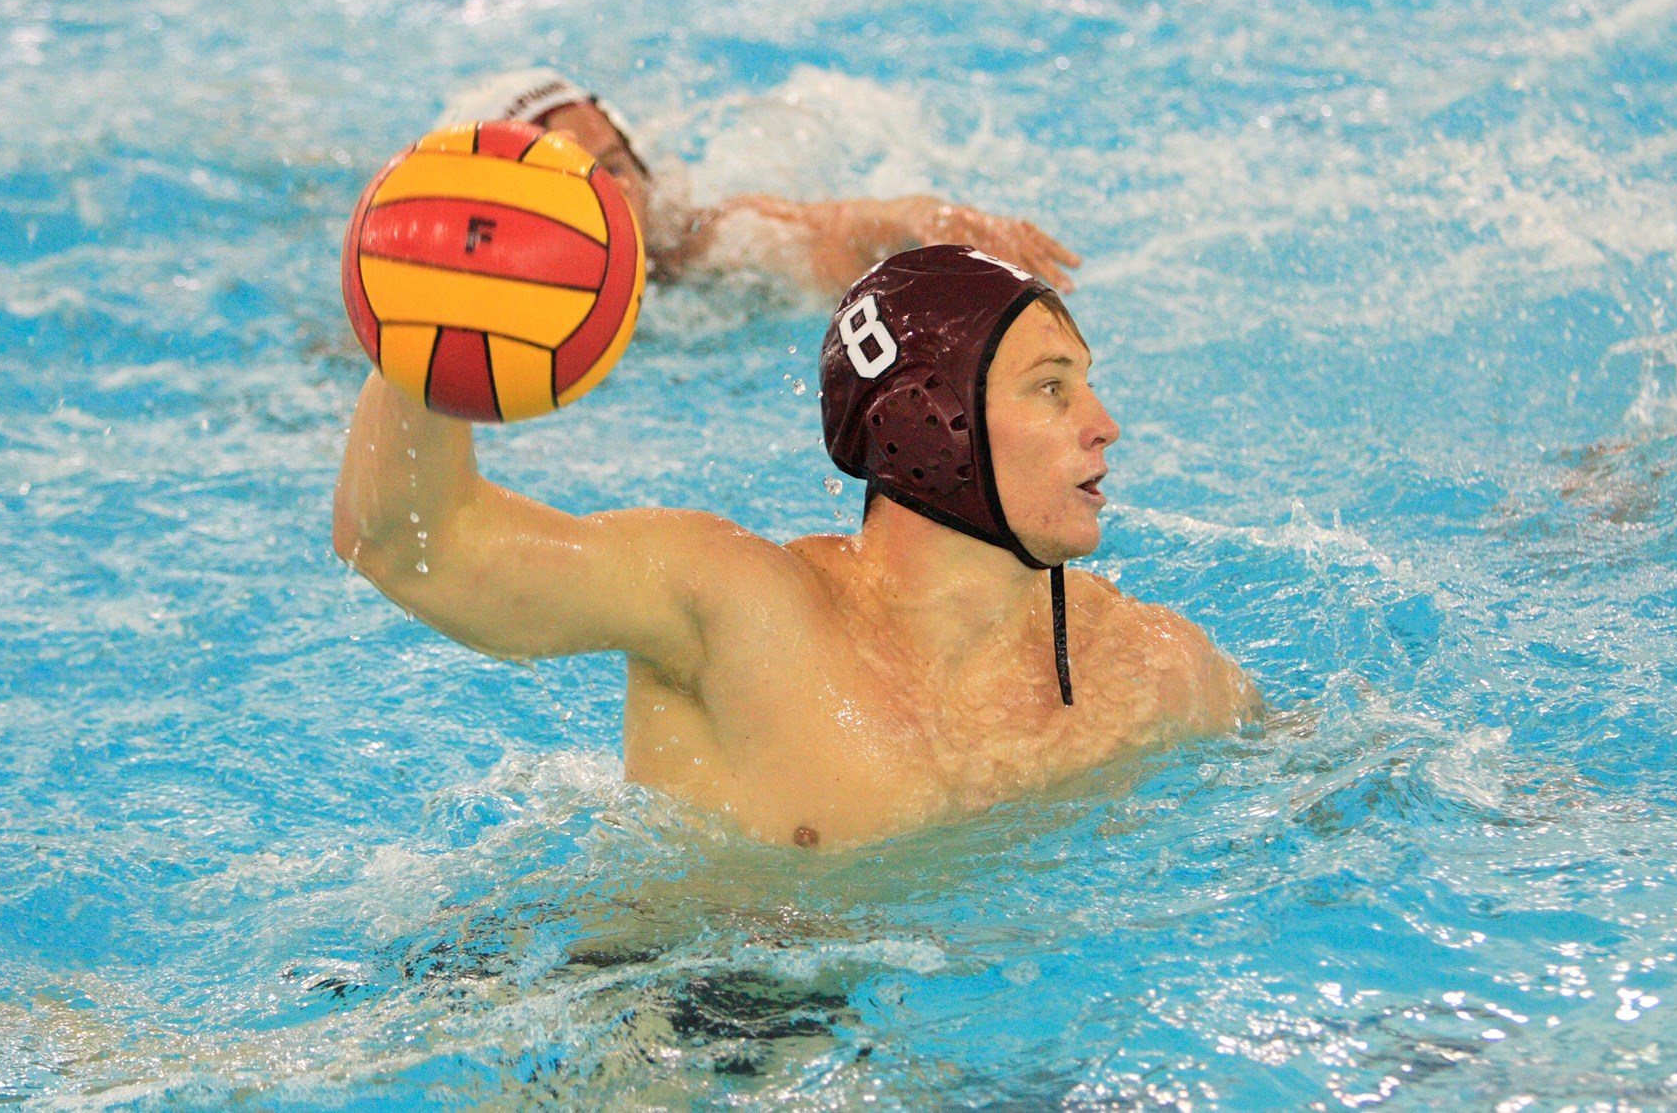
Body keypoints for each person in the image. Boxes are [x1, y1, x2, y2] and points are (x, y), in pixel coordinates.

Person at [333, 244, 1261, 848]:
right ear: (928, 422)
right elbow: (411, 545)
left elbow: (1336, 789)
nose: (1105, 425)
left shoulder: (1150, 669)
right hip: (673, 1020)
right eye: (1052, 389)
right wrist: (430, 332)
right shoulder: (736, 606)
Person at [436, 68, 1083, 296]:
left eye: (620, 168)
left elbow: (825, 232)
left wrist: (918, 221)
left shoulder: (691, 247)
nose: (621, 198)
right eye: (578, 180)